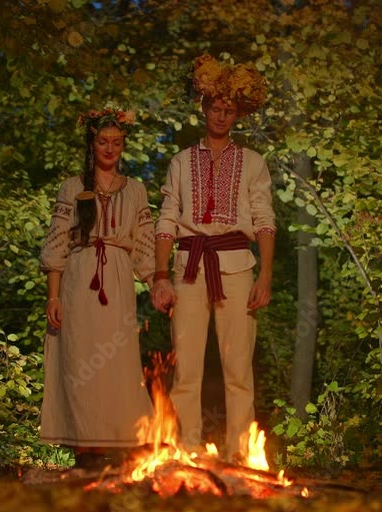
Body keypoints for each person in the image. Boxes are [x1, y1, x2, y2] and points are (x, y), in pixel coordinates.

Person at [151, 54, 276, 459]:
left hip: (238, 267)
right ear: (203, 108)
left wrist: (266, 276)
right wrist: (160, 275)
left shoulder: (253, 163)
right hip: (187, 267)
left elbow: (265, 222)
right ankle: (187, 450)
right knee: (186, 367)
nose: (221, 116)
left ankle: (240, 453)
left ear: (237, 115)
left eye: (229, 110)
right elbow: (167, 219)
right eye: (215, 108)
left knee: (238, 369)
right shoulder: (181, 162)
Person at [39, 108, 155, 470]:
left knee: (118, 364)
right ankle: (85, 453)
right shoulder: (73, 187)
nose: (110, 148)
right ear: (91, 143)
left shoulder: (135, 190)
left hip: (118, 280)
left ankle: (122, 447)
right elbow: (58, 244)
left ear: (123, 146)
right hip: (79, 279)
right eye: (103, 141)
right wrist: (53, 296)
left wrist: (157, 284)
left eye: (117, 142)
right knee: (80, 360)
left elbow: (145, 244)